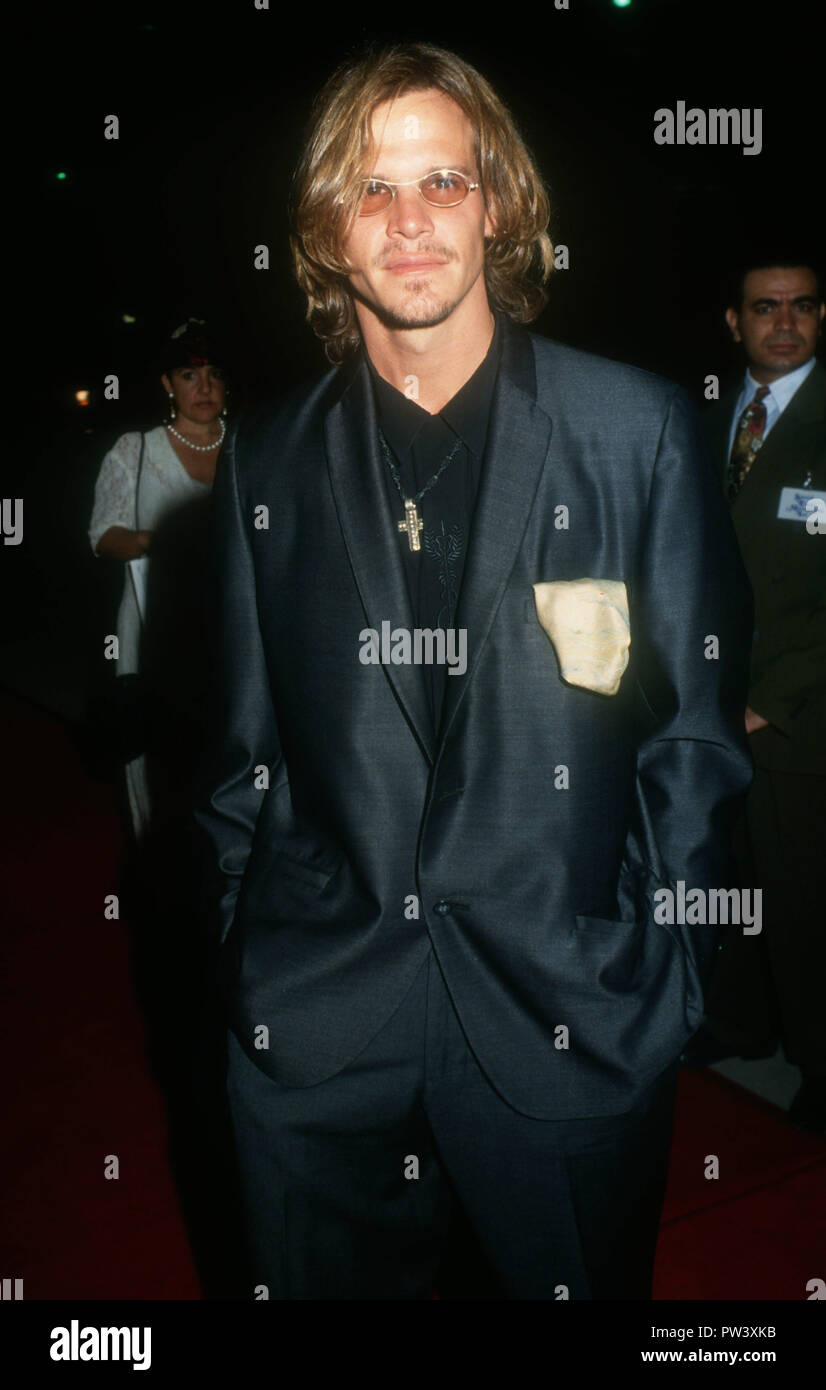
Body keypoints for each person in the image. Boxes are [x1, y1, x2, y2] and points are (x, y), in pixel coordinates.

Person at [194, 43, 753, 1300]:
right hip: (318, 1034)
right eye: (370, 189)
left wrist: (661, 982)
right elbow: (240, 757)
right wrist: (249, 965)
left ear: (495, 204)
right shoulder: (267, 460)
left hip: (571, 1021)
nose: (408, 224)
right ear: (326, 230)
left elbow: (693, 741)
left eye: (442, 183)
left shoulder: (636, 430)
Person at [685, 260, 826, 1134]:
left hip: (799, 721)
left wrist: (770, 699)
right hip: (704, 712)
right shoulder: (698, 420)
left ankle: (820, 1063)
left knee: (806, 896)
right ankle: (738, 1022)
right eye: (765, 308)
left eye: (804, 307)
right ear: (732, 322)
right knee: (729, 883)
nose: (785, 324)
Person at [89, 319, 228, 839]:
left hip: (232, 620)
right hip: (154, 621)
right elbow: (103, 535)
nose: (205, 387)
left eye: (214, 374)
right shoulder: (136, 450)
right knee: (161, 751)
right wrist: (170, 541)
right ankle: (161, 861)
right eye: (189, 377)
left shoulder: (251, 445)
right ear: (168, 385)